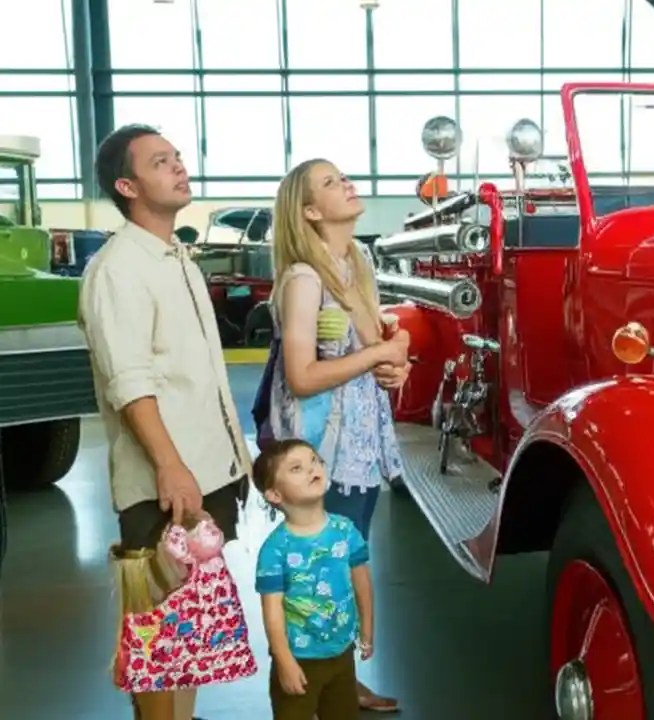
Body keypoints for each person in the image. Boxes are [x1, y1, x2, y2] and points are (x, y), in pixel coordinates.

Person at [79, 123, 254, 720]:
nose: (179, 166)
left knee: (189, 619)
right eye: (160, 162)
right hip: (165, 480)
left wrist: (231, 464)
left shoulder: (175, 256)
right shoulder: (118, 268)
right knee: (156, 627)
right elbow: (130, 380)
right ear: (128, 185)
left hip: (207, 469)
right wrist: (171, 466)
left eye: (177, 157)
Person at [261, 157, 409, 713]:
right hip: (325, 451)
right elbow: (302, 377)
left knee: (343, 563)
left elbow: (370, 352)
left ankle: (338, 677)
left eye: (342, 175)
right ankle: (302, 679)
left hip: (362, 447)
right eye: (330, 182)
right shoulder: (304, 278)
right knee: (316, 572)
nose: (346, 182)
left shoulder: (356, 262)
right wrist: (377, 354)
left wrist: (393, 366)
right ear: (308, 211)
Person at [252, 438, 375, 720]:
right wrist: (284, 662)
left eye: (315, 461)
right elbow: (272, 612)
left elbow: (362, 583)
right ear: (274, 494)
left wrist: (367, 628)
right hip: (300, 659)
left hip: (342, 653)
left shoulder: (345, 530)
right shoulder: (275, 549)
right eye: (297, 468)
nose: (312, 469)